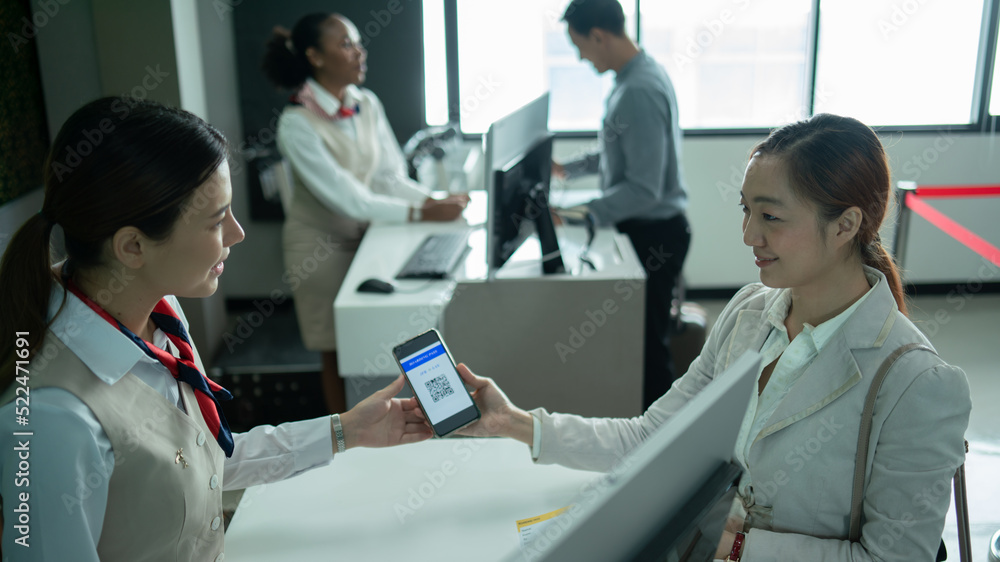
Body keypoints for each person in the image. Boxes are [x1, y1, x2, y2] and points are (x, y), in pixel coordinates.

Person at [447, 114, 971, 560]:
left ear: (845, 225)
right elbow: (651, 440)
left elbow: (895, 557)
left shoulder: (917, 383)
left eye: (770, 216)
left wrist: (737, 545)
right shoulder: (747, 313)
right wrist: (516, 423)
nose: (748, 235)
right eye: (746, 211)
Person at [0, 97, 433, 560]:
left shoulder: (158, 307)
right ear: (132, 246)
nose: (237, 233)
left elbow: (202, 459)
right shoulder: (51, 418)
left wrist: (346, 430)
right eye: (215, 220)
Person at [261, 13, 469, 414]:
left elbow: (389, 177)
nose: (359, 51)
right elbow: (349, 198)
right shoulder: (295, 123)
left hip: (370, 235)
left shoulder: (367, 103)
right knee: (335, 351)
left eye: (357, 42)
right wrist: (423, 212)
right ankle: (345, 437)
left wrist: (433, 202)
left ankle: (398, 419)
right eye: (346, 44)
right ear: (314, 56)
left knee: (381, 334)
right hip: (319, 245)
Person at [553, 0, 692, 409]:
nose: (579, 56)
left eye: (579, 45)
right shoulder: (635, 75)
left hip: (655, 234)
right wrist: (568, 168)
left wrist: (578, 215)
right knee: (640, 345)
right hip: (650, 228)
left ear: (598, 35)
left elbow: (644, 188)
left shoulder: (638, 90)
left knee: (648, 352)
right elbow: (620, 151)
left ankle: (664, 446)